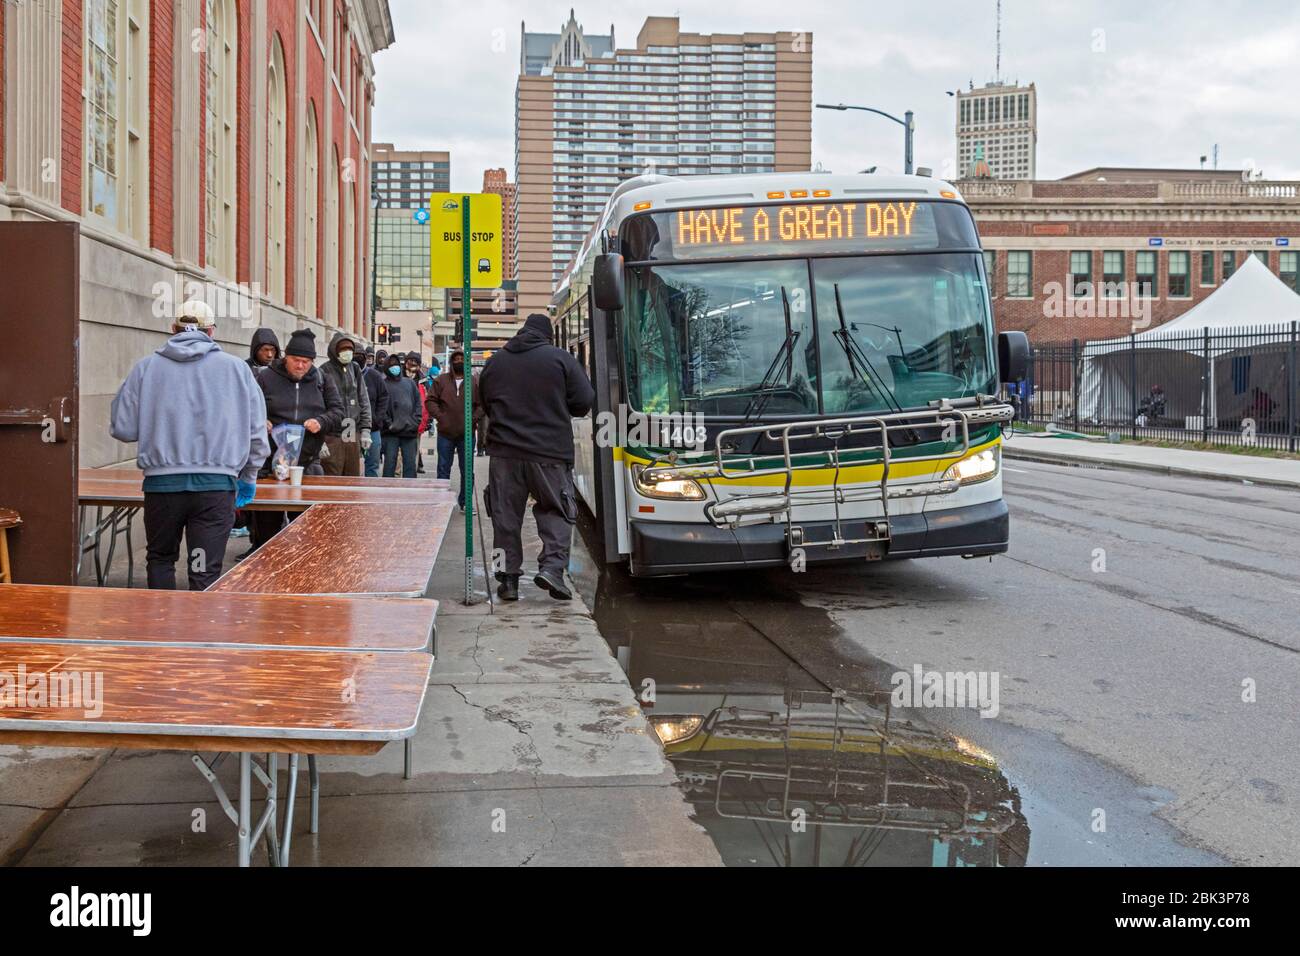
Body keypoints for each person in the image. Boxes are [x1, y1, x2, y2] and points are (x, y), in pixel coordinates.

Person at [110, 299, 269, 590]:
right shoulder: (236, 370)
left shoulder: (146, 368)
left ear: (173, 329)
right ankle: (200, 633)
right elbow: (257, 434)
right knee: (203, 569)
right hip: (215, 487)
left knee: (161, 558)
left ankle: (161, 628)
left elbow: (122, 428)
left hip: (162, 487)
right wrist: (249, 476)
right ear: (212, 332)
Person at [479, 313, 594, 601]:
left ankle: (506, 580)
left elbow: (485, 402)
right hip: (549, 453)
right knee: (557, 510)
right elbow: (583, 403)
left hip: (504, 454)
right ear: (548, 336)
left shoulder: (495, 362)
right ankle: (553, 570)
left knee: (504, 517)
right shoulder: (561, 360)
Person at [251, 328, 344, 546]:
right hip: (269, 466)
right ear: (285, 357)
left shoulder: (322, 380)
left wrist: (321, 421)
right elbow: (247, 407)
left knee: (307, 532)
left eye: (306, 361)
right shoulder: (265, 378)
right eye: (295, 360)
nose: (300, 366)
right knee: (266, 535)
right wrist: (258, 421)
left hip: (306, 464)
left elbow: (338, 412)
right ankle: (265, 569)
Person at [428, 349, 483, 510]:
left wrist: (472, 418)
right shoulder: (441, 380)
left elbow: (481, 404)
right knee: (443, 468)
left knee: (467, 470)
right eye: (456, 359)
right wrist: (441, 417)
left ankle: (465, 502)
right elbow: (431, 401)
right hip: (445, 433)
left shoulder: (474, 382)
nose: (459, 361)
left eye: (462, 359)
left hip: (467, 433)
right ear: (452, 362)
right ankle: (441, 501)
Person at [319, 332, 372, 477]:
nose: (347, 353)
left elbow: (363, 399)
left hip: (351, 431)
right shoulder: (324, 371)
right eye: (343, 350)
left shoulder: (354, 369)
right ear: (335, 351)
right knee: (332, 475)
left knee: (352, 477)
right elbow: (318, 406)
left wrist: (366, 429)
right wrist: (320, 440)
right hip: (332, 433)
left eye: (349, 350)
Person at [380, 351, 423, 478]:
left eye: (396, 364)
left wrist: (415, 422)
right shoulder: (383, 384)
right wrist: (390, 425)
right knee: (389, 466)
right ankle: (387, 494)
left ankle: (410, 494)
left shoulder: (409, 383)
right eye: (391, 364)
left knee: (410, 467)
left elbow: (418, 404)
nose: (395, 367)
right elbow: (381, 407)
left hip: (409, 432)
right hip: (391, 433)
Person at [361, 345, 390, 477]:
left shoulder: (374, 376)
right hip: (350, 428)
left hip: (373, 428)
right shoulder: (347, 374)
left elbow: (384, 397)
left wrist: (378, 418)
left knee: (372, 464)